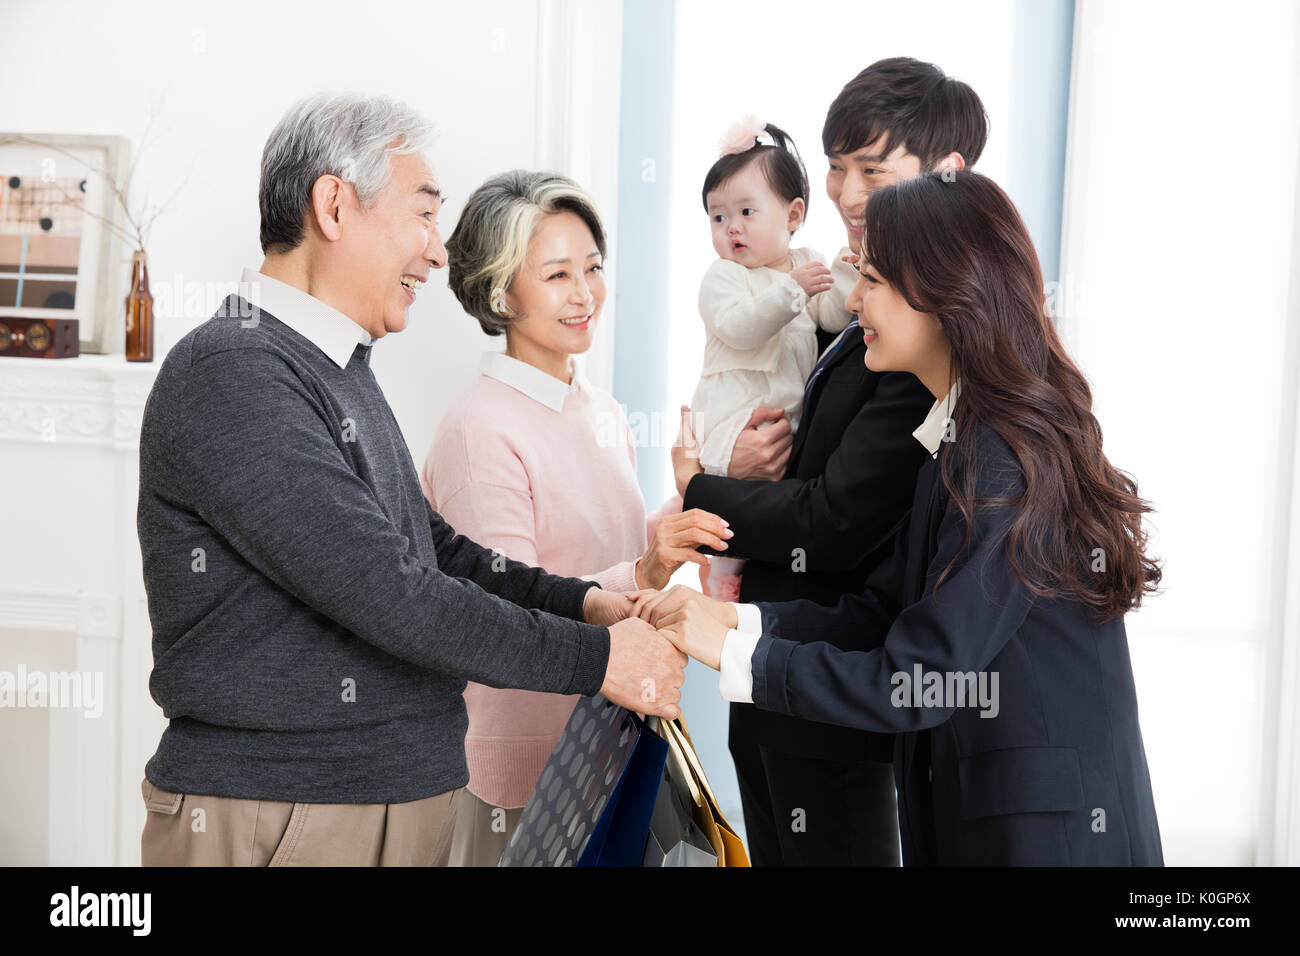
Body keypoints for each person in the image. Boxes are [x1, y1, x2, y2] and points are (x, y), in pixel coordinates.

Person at [134, 93, 685, 867]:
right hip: (287, 811)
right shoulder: (235, 371)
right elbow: (390, 592)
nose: (437, 250)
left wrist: (582, 603)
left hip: (377, 802)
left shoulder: (336, 366)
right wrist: (600, 660)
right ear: (334, 204)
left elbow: (432, 550)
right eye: (423, 215)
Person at [641, 170, 1165, 866]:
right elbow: (883, 613)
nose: (853, 299)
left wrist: (737, 652)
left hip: (1045, 837)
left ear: (949, 295)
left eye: (875, 280)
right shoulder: (960, 437)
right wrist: (730, 624)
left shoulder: (1001, 457)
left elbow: (917, 674)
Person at [672, 57, 985, 866]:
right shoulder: (851, 299)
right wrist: (738, 458)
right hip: (778, 663)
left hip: (838, 687)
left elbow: (839, 518)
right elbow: (794, 433)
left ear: (945, 175)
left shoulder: (928, 330)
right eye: (838, 166)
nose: (847, 194)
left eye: (871, 169)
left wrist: (700, 487)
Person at [420, 169, 730, 865]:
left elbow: (604, 546)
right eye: (558, 274)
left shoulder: (599, 408)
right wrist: (645, 567)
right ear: (501, 291)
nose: (585, 292)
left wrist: (690, 502)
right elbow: (502, 608)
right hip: (523, 764)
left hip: (610, 735)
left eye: (592, 266)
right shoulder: (479, 428)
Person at [686, 118, 849, 603]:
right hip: (731, 415)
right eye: (718, 217)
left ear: (793, 214)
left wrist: (845, 271)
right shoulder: (724, 277)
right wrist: (791, 293)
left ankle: (736, 574)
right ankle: (718, 581)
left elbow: (837, 316)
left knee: (767, 504)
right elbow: (741, 326)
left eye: (746, 212)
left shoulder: (805, 263)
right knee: (727, 512)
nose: (731, 227)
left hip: (786, 420)